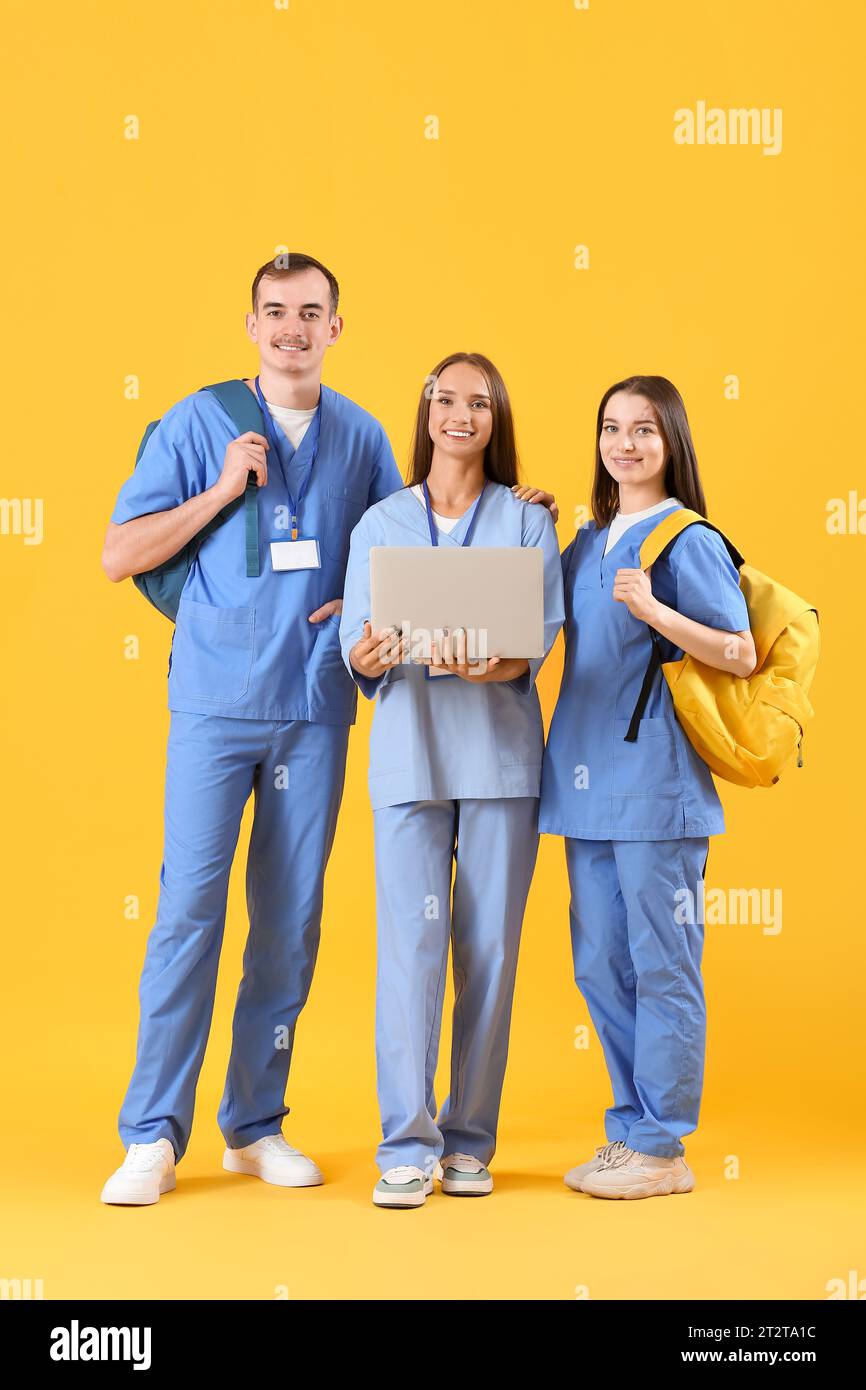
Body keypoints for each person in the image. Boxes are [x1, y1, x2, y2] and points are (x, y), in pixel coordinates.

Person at [98, 253, 405, 1204]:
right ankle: (152, 1133)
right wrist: (225, 490)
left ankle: (253, 1125)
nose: (293, 329)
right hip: (214, 703)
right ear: (251, 324)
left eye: (312, 313)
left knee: (288, 925)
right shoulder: (199, 423)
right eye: (277, 312)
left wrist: (515, 506)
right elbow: (119, 554)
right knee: (189, 913)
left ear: (337, 329)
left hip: (313, 709)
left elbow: (407, 541)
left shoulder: (360, 435)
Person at [340, 353, 565, 1208]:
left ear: (496, 417)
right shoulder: (380, 522)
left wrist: (494, 662)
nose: (460, 414)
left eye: (478, 401)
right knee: (410, 951)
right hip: (408, 755)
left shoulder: (526, 520)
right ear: (426, 410)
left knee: (490, 951)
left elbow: (538, 634)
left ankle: (468, 1139)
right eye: (446, 398)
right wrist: (361, 653)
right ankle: (405, 1142)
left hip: (500, 758)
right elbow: (357, 641)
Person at [538, 375, 757, 1200]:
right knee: (598, 963)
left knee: (662, 963)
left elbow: (738, 651)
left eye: (644, 430)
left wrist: (659, 614)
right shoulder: (589, 541)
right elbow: (529, 614)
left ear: (672, 443)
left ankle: (665, 1147)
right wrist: (528, 517)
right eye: (611, 428)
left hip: (656, 788)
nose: (624, 444)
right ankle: (629, 1132)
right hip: (584, 784)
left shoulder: (683, 539)